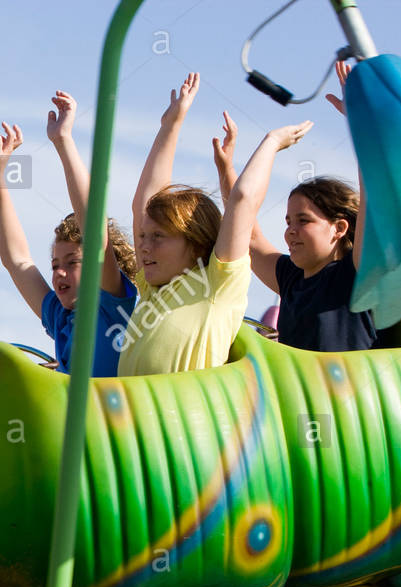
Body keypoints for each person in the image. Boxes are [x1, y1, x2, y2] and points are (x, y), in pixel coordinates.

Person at [121, 72, 313, 376]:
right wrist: (170, 126)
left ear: (196, 242)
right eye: (144, 236)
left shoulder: (216, 284)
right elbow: (143, 205)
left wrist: (272, 142)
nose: (143, 246)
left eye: (158, 237)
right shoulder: (151, 288)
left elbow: (242, 201)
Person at [211, 63, 374, 352]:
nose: (291, 232)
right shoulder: (291, 279)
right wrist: (226, 172)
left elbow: (374, 193)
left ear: (339, 228)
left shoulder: (355, 274)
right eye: (288, 222)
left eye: (303, 220)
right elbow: (247, 233)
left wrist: (362, 124)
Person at [0, 92, 138, 376]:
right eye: (55, 265)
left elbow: (95, 232)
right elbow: (16, 260)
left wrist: (63, 140)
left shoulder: (112, 305)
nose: (59, 273)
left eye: (72, 262)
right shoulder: (61, 317)